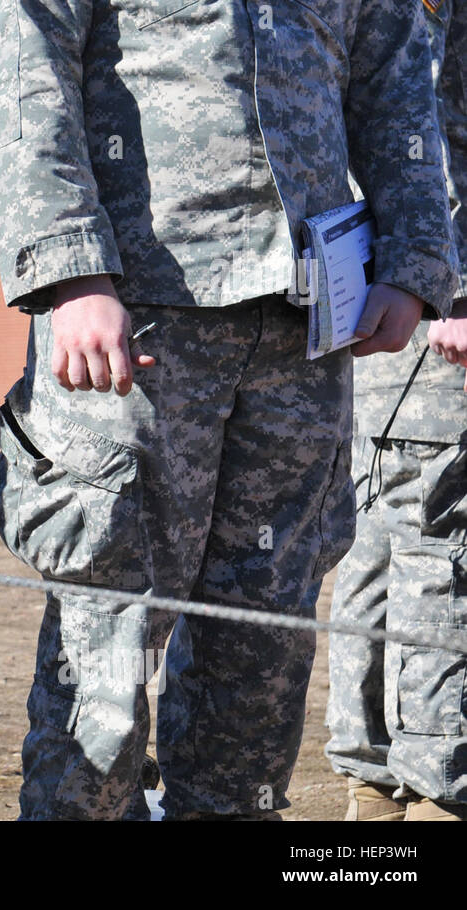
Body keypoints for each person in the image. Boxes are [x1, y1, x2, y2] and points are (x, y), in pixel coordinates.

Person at [0, 1, 457, 819]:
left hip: (304, 328)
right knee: (109, 650)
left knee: (260, 658)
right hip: (138, 321)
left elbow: (394, 71)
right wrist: (70, 274)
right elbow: (26, 62)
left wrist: (415, 259)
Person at [325, 0, 467, 822]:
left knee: (380, 538)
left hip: (374, 299)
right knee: (438, 544)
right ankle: (430, 791)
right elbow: (434, 150)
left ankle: (372, 786)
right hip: (430, 311)